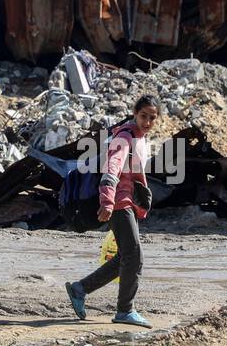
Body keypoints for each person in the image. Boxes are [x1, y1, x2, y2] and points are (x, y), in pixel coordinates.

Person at [65, 95, 159, 328]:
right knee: (134, 256)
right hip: (118, 203)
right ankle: (125, 310)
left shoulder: (138, 138)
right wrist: (107, 201)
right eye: (143, 116)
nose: (147, 122)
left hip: (128, 203)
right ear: (135, 113)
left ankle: (80, 289)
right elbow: (111, 169)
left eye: (152, 118)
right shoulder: (125, 137)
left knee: (124, 257)